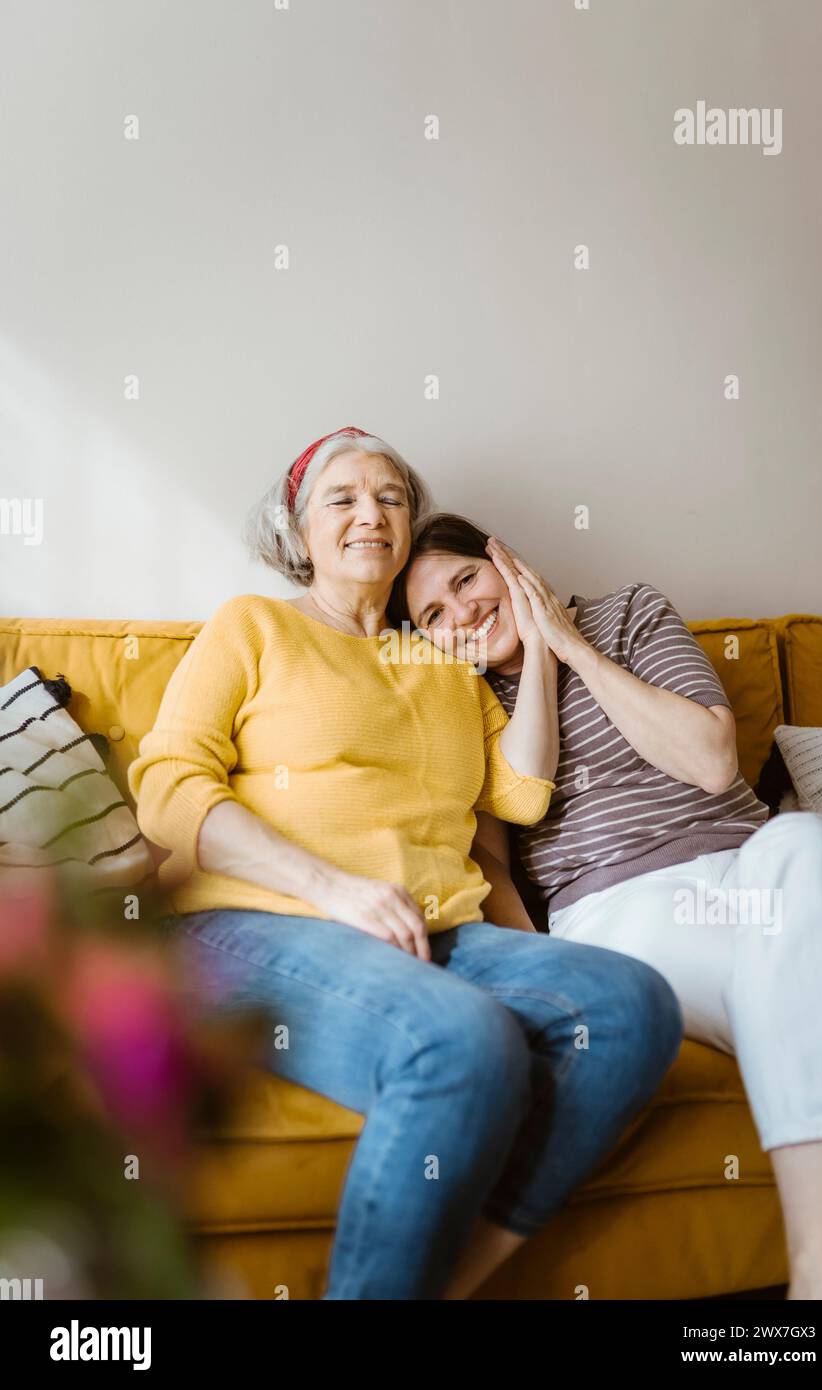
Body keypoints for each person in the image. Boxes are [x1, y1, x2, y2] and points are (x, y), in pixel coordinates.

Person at [127, 430, 683, 1300]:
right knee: (463, 1040)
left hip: (430, 929)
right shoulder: (255, 625)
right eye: (341, 498)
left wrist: (542, 643)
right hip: (251, 923)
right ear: (297, 530)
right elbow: (166, 785)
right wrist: (328, 886)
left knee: (630, 1004)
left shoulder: (448, 667)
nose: (369, 513)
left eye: (390, 496)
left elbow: (523, 793)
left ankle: (442, 1284)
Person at [396, 511, 822, 1300]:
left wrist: (569, 646)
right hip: (625, 913)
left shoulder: (627, 615)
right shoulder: (456, 702)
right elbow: (491, 867)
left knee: (808, 842)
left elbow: (713, 762)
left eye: (465, 581)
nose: (463, 615)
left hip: (756, 871)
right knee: (806, 966)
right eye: (432, 616)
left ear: (504, 561)